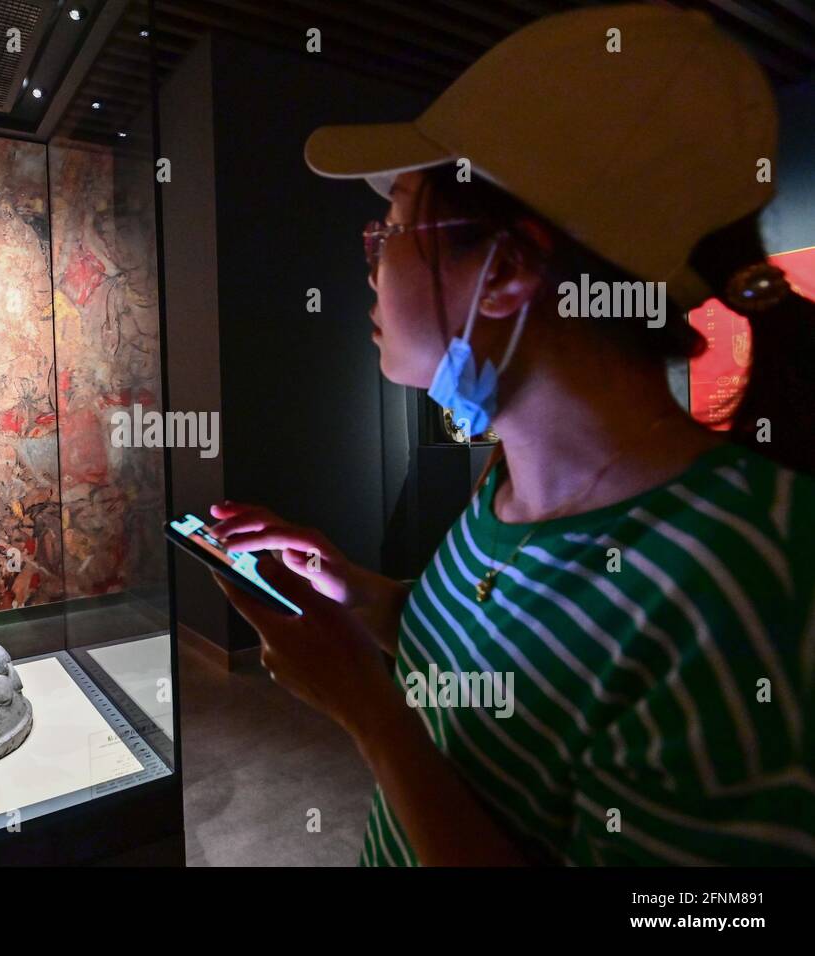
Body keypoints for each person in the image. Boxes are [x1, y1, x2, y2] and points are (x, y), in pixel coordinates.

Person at [208, 5, 815, 865]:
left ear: (510, 269)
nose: (373, 269)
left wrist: (372, 717)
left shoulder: (746, 583)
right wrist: (355, 593)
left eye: (391, 230)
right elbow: (506, 669)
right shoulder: (515, 487)